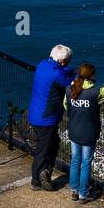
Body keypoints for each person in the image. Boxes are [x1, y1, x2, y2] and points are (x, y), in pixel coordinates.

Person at [64, 63, 104, 203]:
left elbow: (65, 105)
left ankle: (74, 190)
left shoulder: (69, 89)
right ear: (91, 76)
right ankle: (83, 194)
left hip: (74, 129)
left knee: (75, 160)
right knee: (85, 163)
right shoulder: (96, 92)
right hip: (89, 132)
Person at [27, 45, 75, 191]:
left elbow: (60, 72)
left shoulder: (43, 65)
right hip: (46, 118)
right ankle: (37, 179)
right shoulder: (57, 75)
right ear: (62, 61)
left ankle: (44, 172)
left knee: (51, 144)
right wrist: (79, 74)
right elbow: (69, 83)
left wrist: (71, 71)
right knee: (44, 148)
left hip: (35, 113)